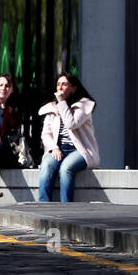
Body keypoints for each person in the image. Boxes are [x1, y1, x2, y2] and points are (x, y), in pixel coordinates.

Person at [36, 73, 100, 202]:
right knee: (47, 165)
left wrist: (62, 103)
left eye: (64, 84)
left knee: (66, 168)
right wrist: (53, 148)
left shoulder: (83, 106)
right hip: (58, 149)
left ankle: (66, 206)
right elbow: (46, 134)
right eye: (58, 84)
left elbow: (71, 123)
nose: (60, 87)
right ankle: (43, 205)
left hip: (80, 150)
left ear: (73, 88)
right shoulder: (52, 108)